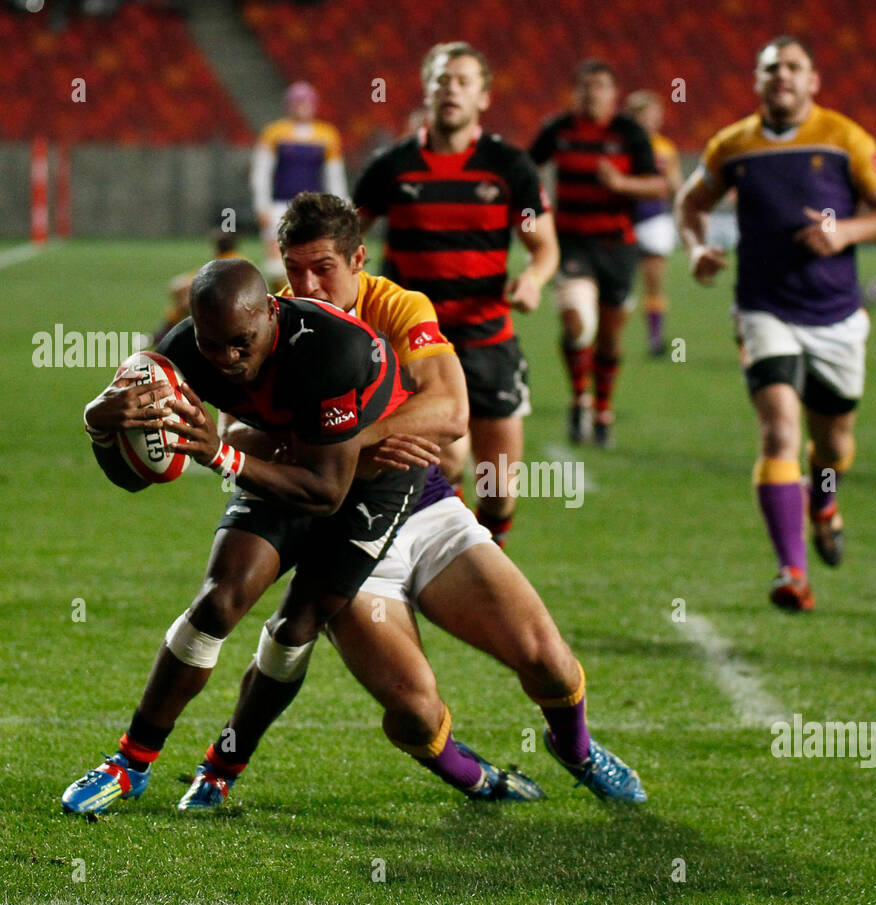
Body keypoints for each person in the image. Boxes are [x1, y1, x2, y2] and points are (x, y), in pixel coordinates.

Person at [179, 192, 644, 807]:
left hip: (424, 506)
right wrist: (366, 437)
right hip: (342, 534)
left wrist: (342, 438)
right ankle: (478, 779)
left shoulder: (397, 305)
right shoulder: (273, 323)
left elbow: (451, 412)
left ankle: (577, 748)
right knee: (418, 711)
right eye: (295, 270)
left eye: (324, 268)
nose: (308, 285)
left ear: (359, 261)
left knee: (547, 658)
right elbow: (235, 433)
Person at [60, 257, 431, 813]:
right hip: (284, 456)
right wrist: (98, 424)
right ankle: (130, 763)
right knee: (218, 601)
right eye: (214, 345)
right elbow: (134, 480)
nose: (228, 359)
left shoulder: (331, 349)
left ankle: (221, 767)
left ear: (270, 314)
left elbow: (325, 493)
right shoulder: (183, 352)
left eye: (242, 342)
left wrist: (220, 454)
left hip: (373, 479)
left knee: (295, 624)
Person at [675, 36, 876, 612]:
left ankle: (824, 502)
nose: (782, 75)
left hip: (835, 316)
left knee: (831, 446)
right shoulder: (733, 145)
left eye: (793, 67)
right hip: (763, 309)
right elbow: (690, 205)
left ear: (813, 81)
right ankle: (792, 570)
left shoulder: (844, 138)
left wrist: (846, 233)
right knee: (780, 429)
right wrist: (696, 249)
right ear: (758, 81)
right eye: (771, 68)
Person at [355, 42, 559, 546]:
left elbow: (543, 245)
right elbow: (345, 239)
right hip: (415, 343)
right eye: (443, 79)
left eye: (463, 81)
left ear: (483, 97)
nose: (451, 89)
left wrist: (533, 279)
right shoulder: (391, 167)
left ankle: (489, 558)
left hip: (489, 338)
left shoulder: (510, 167)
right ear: (427, 89)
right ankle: (451, 559)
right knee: (447, 457)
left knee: (499, 487)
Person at [529, 60, 668, 447]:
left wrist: (622, 183)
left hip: (617, 247)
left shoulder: (629, 132)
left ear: (613, 94)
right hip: (572, 243)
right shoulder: (558, 129)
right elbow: (525, 169)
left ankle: (603, 409)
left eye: (601, 88)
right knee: (576, 324)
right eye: (586, 88)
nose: (593, 95)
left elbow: (659, 185)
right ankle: (579, 399)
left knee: (609, 338)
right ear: (576, 93)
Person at [251, 82, 346, 282]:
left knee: (311, 258)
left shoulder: (327, 135)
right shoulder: (274, 133)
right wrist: (262, 206)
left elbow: (335, 177)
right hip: (279, 204)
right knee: (277, 264)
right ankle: (279, 305)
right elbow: (261, 174)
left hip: (312, 209)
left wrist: (339, 206)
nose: (301, 107)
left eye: (306, 102)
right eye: (297, 102)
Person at [625, 91, 683, 358]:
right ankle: (608, 337)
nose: (650, 120)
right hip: (623, 219)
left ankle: (655, 339)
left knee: (654, 283)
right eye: (644, 115)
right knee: (619, 285)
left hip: (654, 220)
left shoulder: (665, 148)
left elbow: (676, 185)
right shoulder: (621, 145)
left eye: (653, 115)